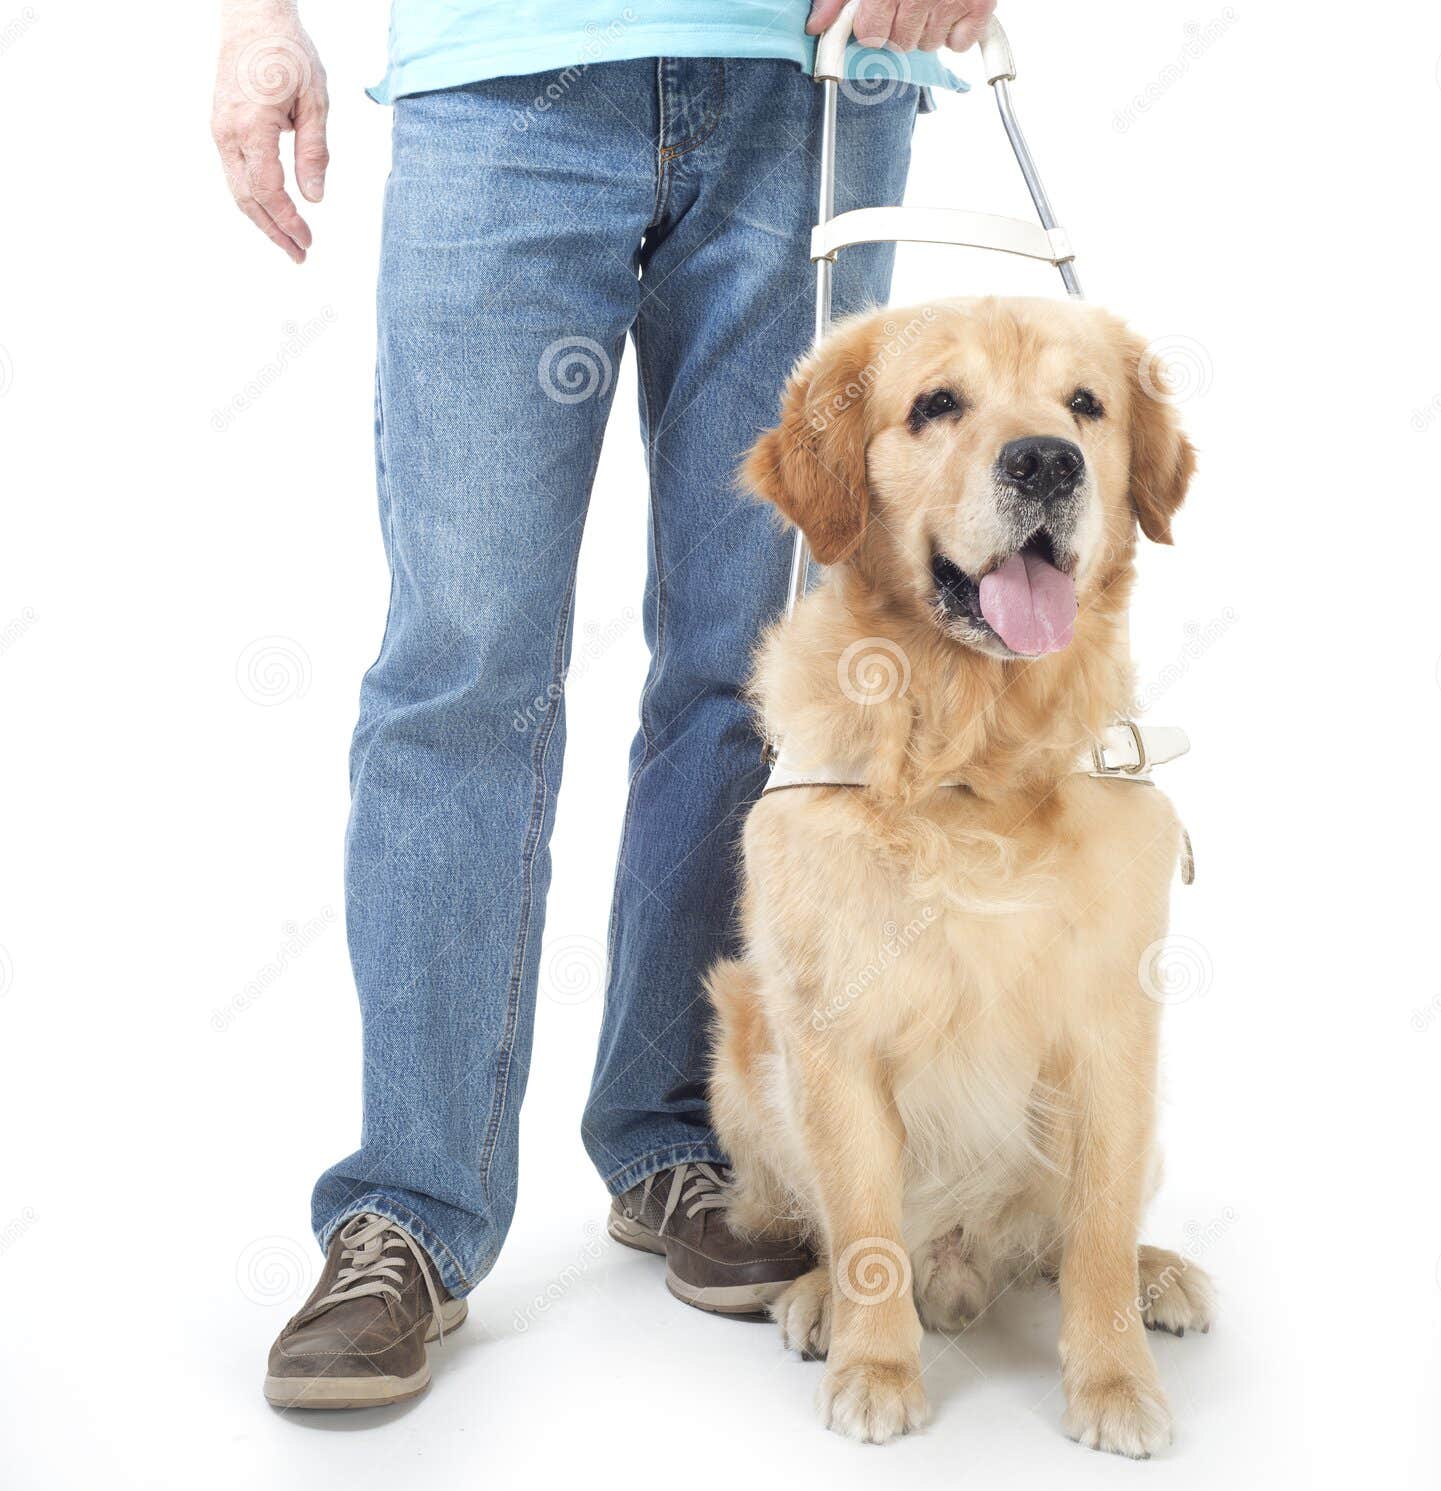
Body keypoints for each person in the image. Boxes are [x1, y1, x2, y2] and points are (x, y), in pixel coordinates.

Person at [211, 0, 996, 1409]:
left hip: (809, 85)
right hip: (501, 82)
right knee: (462, 668)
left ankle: (676, 1135)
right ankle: (409, 1205)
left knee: (746, 662)